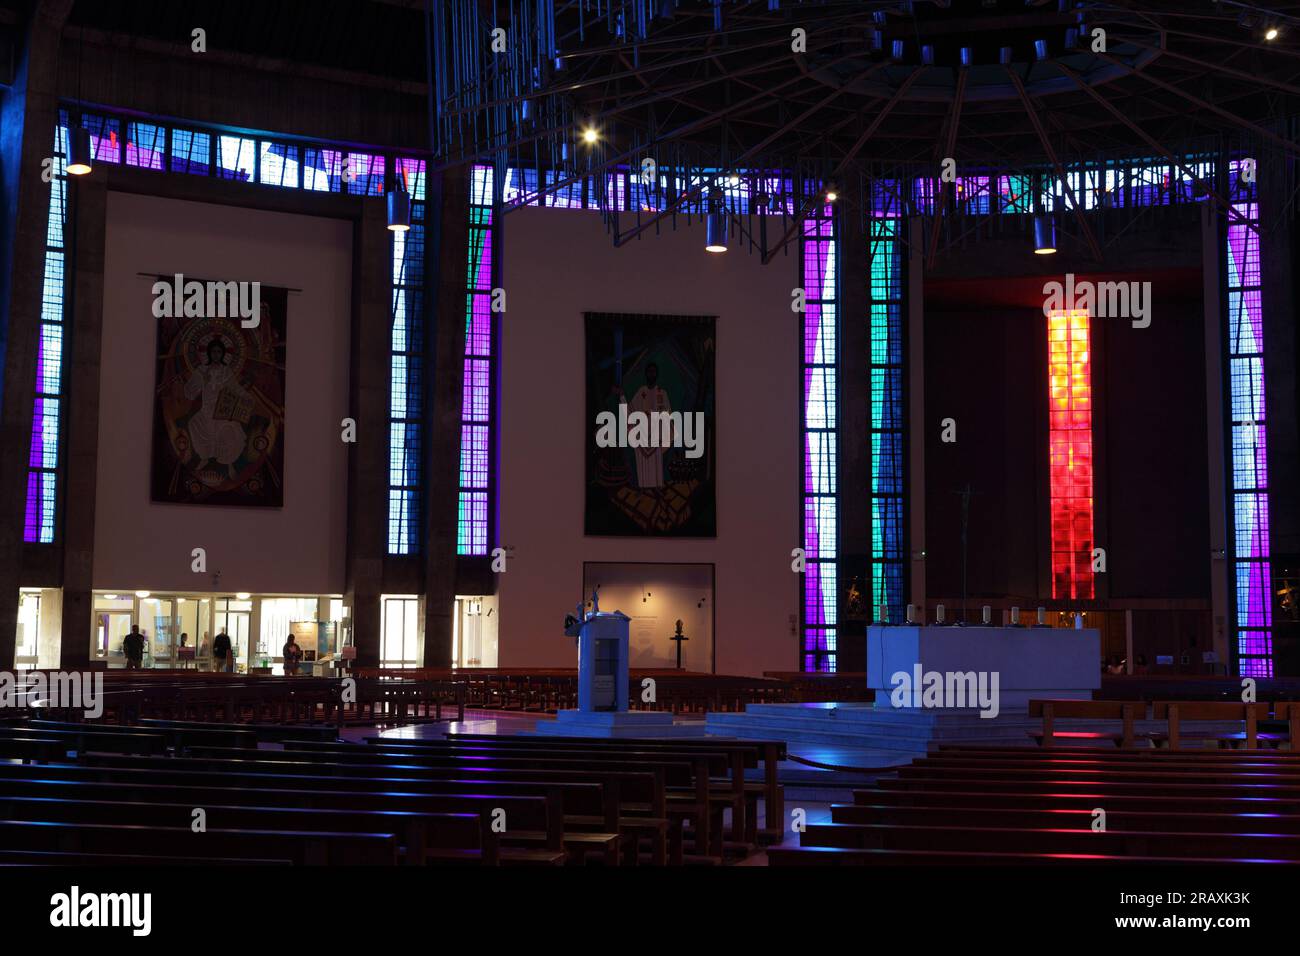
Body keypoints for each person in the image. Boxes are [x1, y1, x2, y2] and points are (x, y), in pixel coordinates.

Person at [630, 362, 671, 488]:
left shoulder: (662, 393)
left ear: (657, 374)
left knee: (656, 466)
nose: (651, 374)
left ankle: (656, 489)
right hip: (643, 436)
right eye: (649, 371)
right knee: (644, 467)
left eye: (654, 371)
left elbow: (667, 414)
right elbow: (631, 410)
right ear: (646, 374)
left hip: (656, 436)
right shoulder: (641, 391)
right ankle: (644, 490)